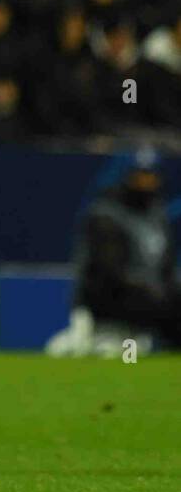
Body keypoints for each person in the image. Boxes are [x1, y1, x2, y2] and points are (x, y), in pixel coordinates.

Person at [73, 149, 181, 350]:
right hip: (111, 300)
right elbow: (110, 272)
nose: (146, 183)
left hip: (153, 300)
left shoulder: (157, 215)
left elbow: (167, 267)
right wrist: (155, 292)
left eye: (150, 177)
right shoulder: (107, 214)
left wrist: (169, 291)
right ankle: (89, 338)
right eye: (140, 177)